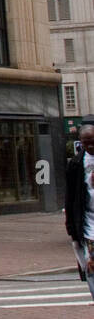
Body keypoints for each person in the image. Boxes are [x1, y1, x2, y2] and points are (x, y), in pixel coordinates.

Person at [63, 125, 94, 301]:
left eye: (93, 142)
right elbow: (70, 197)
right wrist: (71, 229)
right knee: (91, 268)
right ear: (81, 143)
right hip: (88, 223)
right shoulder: (75, 164)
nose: (90, 146)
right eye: (86, 142)